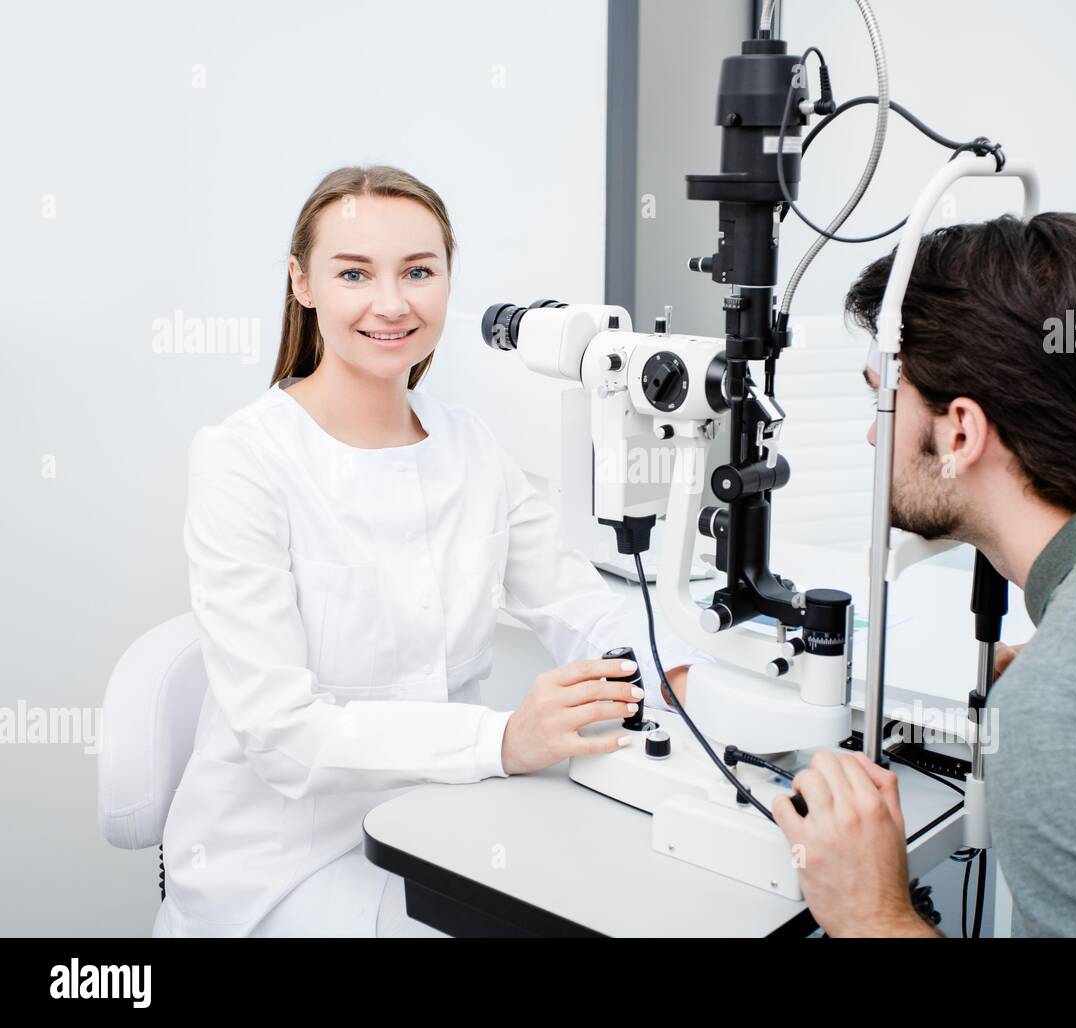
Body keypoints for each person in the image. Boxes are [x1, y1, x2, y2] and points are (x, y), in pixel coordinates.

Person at [693, 213, 1076, 937]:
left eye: (881, 400)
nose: (870, 432)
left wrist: (875, 916)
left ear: (959, 432)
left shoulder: (1070, 710)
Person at [155, 165, 693, 937]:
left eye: (418, 271)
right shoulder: (244, 460)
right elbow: (283, 736)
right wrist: (503, 739)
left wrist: (671, 672)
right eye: (353, 273)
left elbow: (572, 600)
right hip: (284, 862)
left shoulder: (469, 445)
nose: (392, 303)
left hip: (443, 821)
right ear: (301, 284)